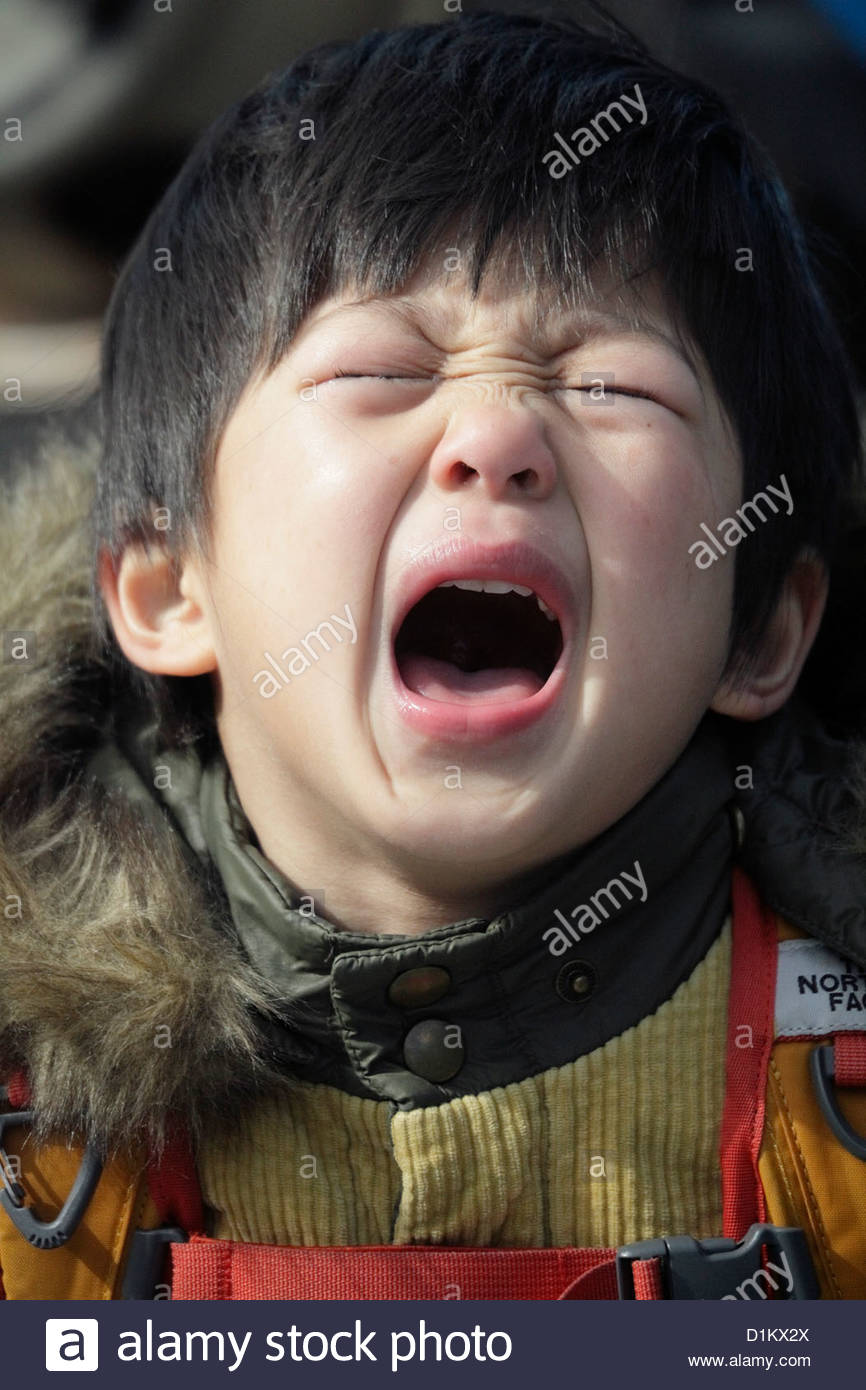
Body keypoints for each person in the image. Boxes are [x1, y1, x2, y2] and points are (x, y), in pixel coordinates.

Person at [1, 7, 864, 1302]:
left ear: (761, 630)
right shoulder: (35, 1118)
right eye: (383, 372)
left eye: (612, 387)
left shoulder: (831, 1073)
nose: (494, 435)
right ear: (167, 584)